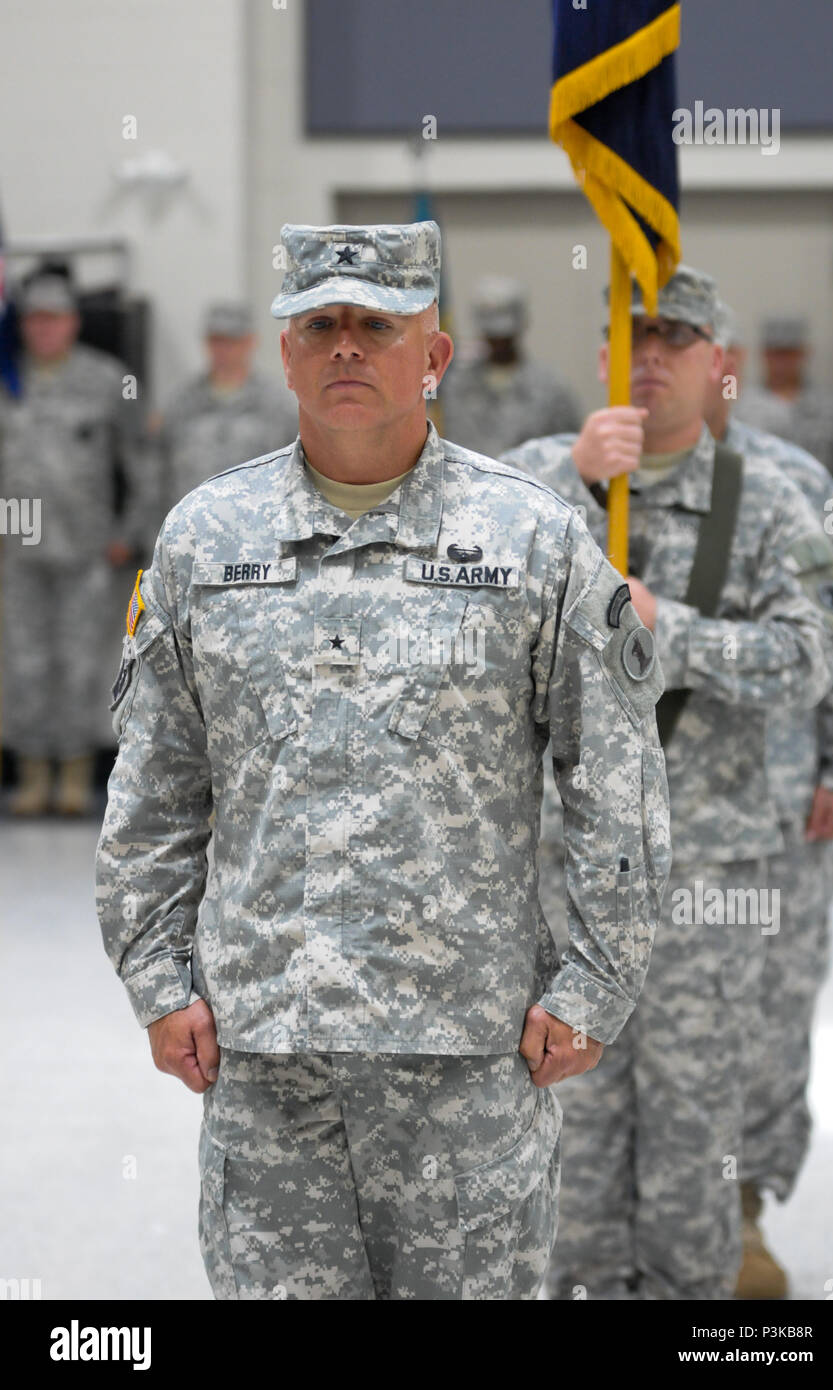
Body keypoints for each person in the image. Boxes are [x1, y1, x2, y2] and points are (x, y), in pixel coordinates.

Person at [94, 220, 672, 1301]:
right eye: (320, 324)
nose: (346, 347)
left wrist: (595, 982)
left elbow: (614, 774)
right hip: (268, 1058)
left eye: (377, 324)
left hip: (469, 1057)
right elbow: (156, 787)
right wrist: (155, 978)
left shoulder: (529, 537)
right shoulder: (203, 542)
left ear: (435, 354)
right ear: (285, 353)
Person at [503, 266, 833, 1300]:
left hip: (712, 871)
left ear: (716, 365)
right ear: (605, 351)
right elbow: (463, 615)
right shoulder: (527, 483)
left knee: (699, 1120)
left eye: (676, 339)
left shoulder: (770, 499)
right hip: (570, 868)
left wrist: (673, 631)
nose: (649, 357)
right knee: (575, 1111)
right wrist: (573, 478)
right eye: (631, 336)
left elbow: (811, 656)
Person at [706, 301, 833, 1298]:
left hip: (770, 799)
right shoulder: (585, 481)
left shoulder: (794, 477)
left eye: (684, 345)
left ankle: (739, 1213)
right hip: (636, 815)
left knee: (762, 1019)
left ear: (721, 361)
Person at [0, 272, 144, 816]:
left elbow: (141, 455)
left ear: (73, 323)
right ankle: (33, 775)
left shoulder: (110, 379)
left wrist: (129, 531)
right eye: (35, 319)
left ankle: (77, 776)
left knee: (84, 663)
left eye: (55, 319)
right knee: (26, 663)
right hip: (20, 544)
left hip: (86, 548)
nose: (45, 329)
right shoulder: (7, 378)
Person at [155, 301, 298, 512]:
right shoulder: (180, 402)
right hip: (190, 528)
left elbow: (294, 471)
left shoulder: (277, 404)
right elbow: (157, 472)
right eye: (216, 341)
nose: (223, 350)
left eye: (232, 341)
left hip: (254, 529)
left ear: (250, 342)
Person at [439, 275, 582, 457]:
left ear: (521, 326)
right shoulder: (454, 386)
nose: (498, 342)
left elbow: (571, 452)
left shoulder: (551, 390)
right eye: (492, 334)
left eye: (505, 335)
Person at [736, 316, 833, 497]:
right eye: (775, 353)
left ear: (804, 353)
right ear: (764, 354)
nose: (782, 362)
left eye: (789, 352)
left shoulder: (832, 410)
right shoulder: (743, 409)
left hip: (823, 514)